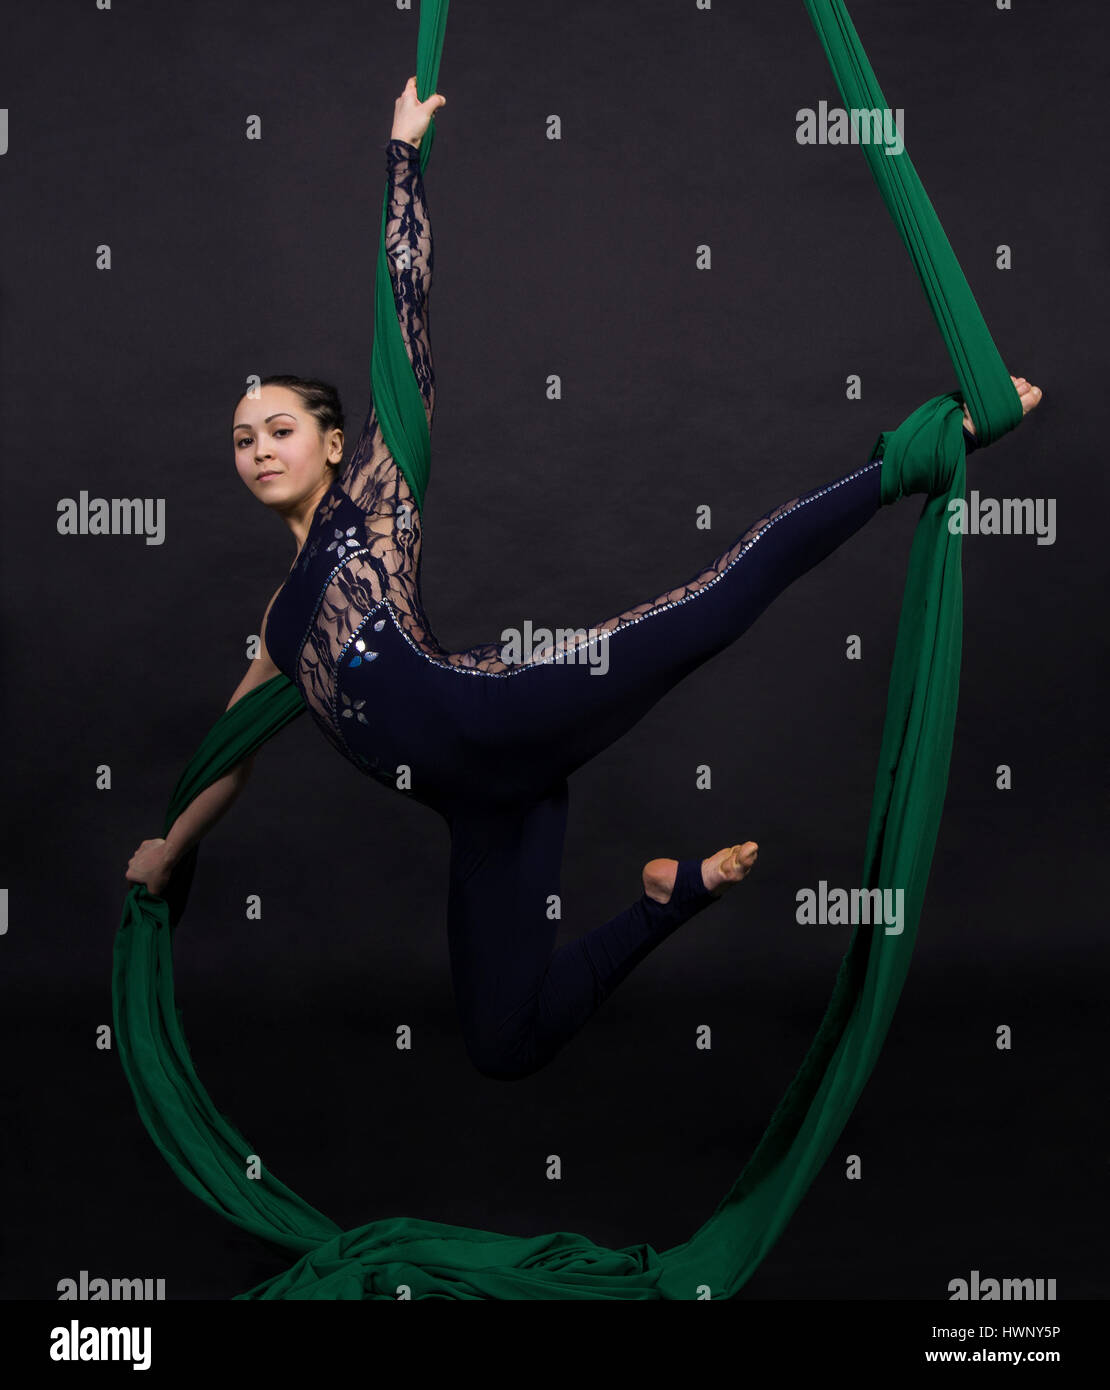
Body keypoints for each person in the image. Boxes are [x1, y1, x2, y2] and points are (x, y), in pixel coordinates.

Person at [127, 77, 1044, 1081]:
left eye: (280, 430)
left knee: (711, 604)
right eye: (240, 439)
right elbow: (230, 755)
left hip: (501, 715)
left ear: (335, 442)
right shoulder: (276, 624)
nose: (258, 450)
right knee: (502, 1042)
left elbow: (407, 311)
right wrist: (171, 847)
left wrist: (401, 159)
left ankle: (914, 452)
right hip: (483, 806)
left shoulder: (376, 501)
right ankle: (666, 899)